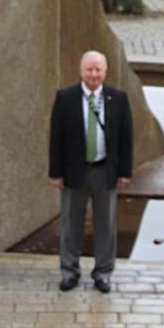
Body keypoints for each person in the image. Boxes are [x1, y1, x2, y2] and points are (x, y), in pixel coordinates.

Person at [49, 50, 133, 294]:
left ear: (105, 72)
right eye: (90, 69)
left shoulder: (118, 98)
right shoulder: (65, 98)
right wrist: (56, 172)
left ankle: (103, 273)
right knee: (70, 224)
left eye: (98, 70)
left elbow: (127, 138)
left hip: (105, 171)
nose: (94, 74)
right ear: (81, 71)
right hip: (75, 171)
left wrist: (125, 171)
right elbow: (56, 139)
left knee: (106, 225)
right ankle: (69, 272)